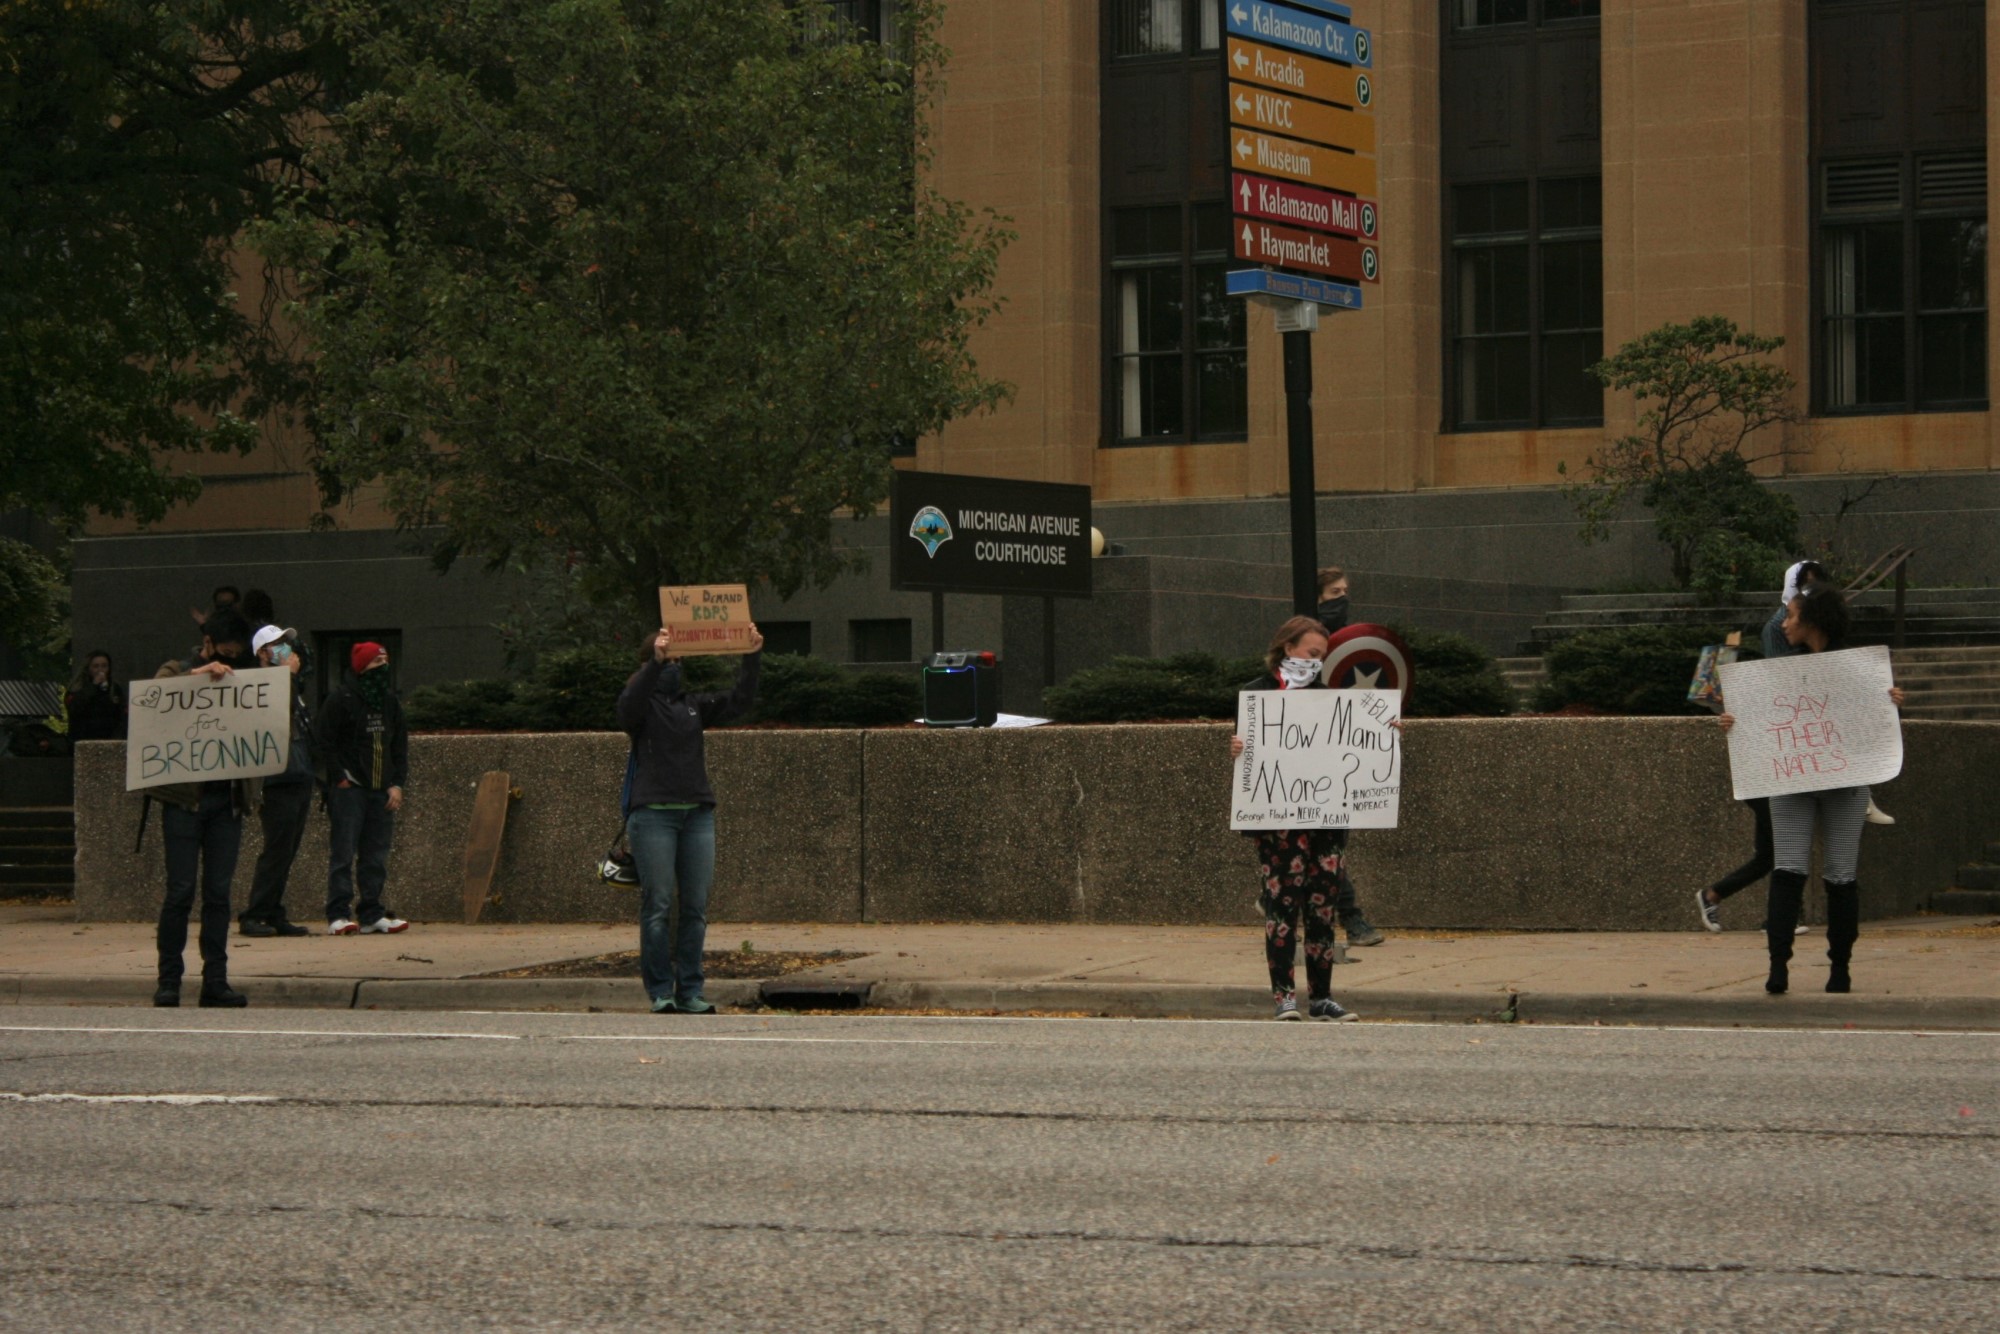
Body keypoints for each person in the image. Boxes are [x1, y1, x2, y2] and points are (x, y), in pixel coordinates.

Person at [1717, 585, 1905, 994]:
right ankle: (1779, 967)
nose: (1784, 622)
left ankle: (1839, 968)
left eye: (1791, 614)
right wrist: (1736, 721)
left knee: (1839, 876)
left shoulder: (1861, 669)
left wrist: (1890, 703)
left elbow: (1876, 724)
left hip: (1841, 779)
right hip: (1796, 777)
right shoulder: (1784, 671)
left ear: (1812, 620)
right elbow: (1766, 720)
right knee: (1789, 870)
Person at [617, 622, 763, 1014]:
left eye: (680, 661)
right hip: (653, 818)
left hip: (696, 815)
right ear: (651, 662)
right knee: (659, 905)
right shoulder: (641, 707)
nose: (674, 668)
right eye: (669, 660)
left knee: (695, 908)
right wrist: (656, 663)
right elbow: (629, 704)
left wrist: (751, 655)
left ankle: (691, 990)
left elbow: (740, 700)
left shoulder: (692, 705)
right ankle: (661, 990)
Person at [1228, 615, 1362, 1022]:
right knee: (1282, 905)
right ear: (1288, 648)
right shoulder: (1256, 696)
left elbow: (1356, 742)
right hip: (1277, 821)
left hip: (1324, 819)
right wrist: (1238, 748)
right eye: (1311, 653)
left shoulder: (1330, 700)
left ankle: (1321, 996)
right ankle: (1284, 996)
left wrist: (1384, 732)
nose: (1317, 662)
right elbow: (1249, 755)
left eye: (1322, 656)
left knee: (1323, 905)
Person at [149, 609, 260, 1007]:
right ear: (208, 644)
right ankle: (169, 980)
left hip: (226, 801)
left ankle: (216, 979)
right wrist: (195, 677)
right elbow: (150, 700)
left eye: (236, 655)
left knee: (218, 893)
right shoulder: (177, 668)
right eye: (224, 654)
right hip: (185, 801)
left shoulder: (244, 676)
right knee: (180, 891)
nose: (228, 663)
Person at [1310, 565, 1385, 948]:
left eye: (1345, 591)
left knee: (1330, 841)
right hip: (1303, 760)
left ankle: (1278, 895)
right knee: (1326, 843)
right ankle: (1353, 918)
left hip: (1336, 757)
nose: (1343, 598)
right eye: (1334, 592)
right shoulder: (1303, 647)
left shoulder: (1348, 646)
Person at [319, 640, 410, 935]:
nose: (382, 668)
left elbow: (399, 746)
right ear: (361, 667)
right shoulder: (340, 699)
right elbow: (324, 742)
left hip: (381, 788)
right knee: (343, 853)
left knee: (376, 854)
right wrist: (339, 778)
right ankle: (338, 914)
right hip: (350, 788)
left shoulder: (390, 702)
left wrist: (397, 783)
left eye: (385, 662)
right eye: (376, 663)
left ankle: (372, 913)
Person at [239, 626, 316, 938]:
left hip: (298, 773)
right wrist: (288, 677)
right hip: (276, 778)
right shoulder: (260, 684)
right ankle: (254, 913)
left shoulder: (289, 684)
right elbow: (273, 715)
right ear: (262, 653)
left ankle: (273, 911)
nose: (285, 648)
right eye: (276, 644)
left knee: (287, 850)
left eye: (285, 642)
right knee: (276, 848)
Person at [65, 651, 125, 741]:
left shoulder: (115, 689)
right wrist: (93, 687)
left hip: (108, 739)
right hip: (83, 739)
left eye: (104, 666)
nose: (100, 670)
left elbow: (120, 715)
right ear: (88, 668)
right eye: (96, 666)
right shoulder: (76, 689)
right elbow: (74, 710)